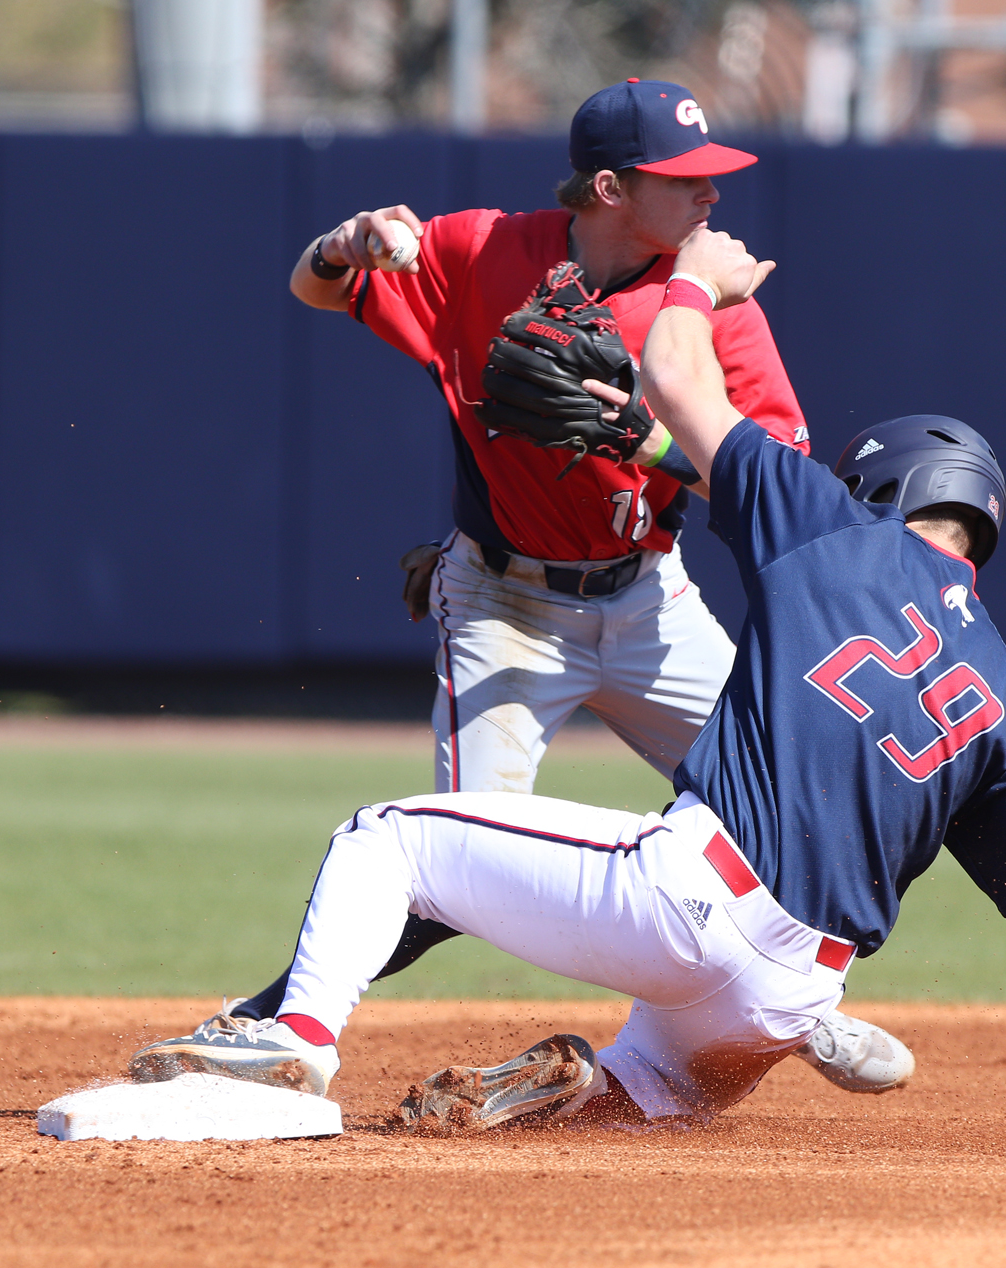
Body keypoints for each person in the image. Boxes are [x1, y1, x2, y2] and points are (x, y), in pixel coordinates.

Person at [129, 228, 1006, 1147]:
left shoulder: (828, 526)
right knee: (637, 1105)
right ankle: (580, 1085)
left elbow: (678, 379)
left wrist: (696, 279)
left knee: (385, 837)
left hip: (683, 903)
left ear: (880, 489)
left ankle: (293, 1037)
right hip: (778, 1002)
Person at [203, 78, 913, 1094]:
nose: (712, 197)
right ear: (612, 188)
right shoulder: (480, 250)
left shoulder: (708, 307)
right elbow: (316, 288)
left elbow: (774, 485)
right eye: (687, 179)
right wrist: (343, 243)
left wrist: (645, 431)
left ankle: (801, 1010)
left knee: (797, 796)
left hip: (648, 601)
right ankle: (264, 1023)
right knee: (455, 863)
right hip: (505, 603)